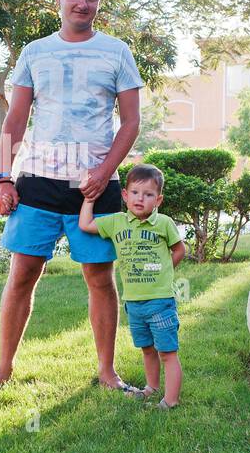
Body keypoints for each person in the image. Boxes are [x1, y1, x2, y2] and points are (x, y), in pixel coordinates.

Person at [0, 0, 143, 393]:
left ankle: (108, 373)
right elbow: (14, 120)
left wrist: (105, 173)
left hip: (95, 188)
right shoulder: (35, 52)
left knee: (100, 278)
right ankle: (3, 370)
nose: (82, 4)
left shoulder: (117, 52)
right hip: (38, 183)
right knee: (23, 273)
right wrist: (4, 178)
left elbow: (130, 123)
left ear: (99, 2)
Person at [78, 164, 185, 408]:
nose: (140, 199)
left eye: (148, 195)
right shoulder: (117, 223)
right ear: (125, 196)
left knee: (167, 352)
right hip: (133, 302)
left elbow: (179, 249)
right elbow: (86, 225)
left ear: (158, 200)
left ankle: (171, 400)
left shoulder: (163, 224)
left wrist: (165, 271)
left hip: (160, 300)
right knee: (147, 349)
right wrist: (89, 199)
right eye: (135, 193)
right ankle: (152, 387)